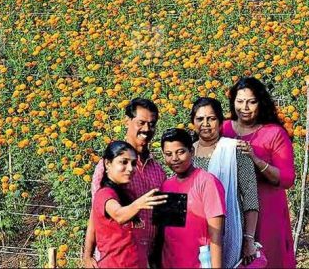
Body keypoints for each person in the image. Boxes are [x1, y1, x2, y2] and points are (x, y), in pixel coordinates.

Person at [221, 77, 296, 268]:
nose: (244, 107)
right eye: (240, 101)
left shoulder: (274, 133)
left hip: (267, 211)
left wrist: (256, 160)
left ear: (260, 103)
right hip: (232, 209)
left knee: (267, 259)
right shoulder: (223, 128)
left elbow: (287, 179)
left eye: (251, 102)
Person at [83, 98, 167, 268]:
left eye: (152, 124)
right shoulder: (111, 166)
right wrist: (87, 254)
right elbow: (96, 212)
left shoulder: (158, 170)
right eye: (141, 123)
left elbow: (161, 218)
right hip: (115, 259)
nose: (147, 129)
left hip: (142, 259)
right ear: (127, 121)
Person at [191, 97, 261, 268]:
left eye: (211, 118)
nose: (205, 124)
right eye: (200, 119)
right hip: (194, 235)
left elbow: (250, 197)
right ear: (193, 122)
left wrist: (249, 239)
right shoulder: (186, 153)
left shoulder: (235, 150)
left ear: (221, 122)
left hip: (229, 232)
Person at [90, 141, 168, 268]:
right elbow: (119, 214)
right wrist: (140, 203)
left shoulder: (127, 194)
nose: (130, 168)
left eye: (133, 163)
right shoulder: (104, 194)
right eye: (124, 162)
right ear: (107, 163)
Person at [159, 128, 226, 269]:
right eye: (169, 154)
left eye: (180, 152)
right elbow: (170, 233)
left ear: (192, 151)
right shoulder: (167, 185)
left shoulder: (207, 182)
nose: (174, 158)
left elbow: (216, 236)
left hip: (200, 263)